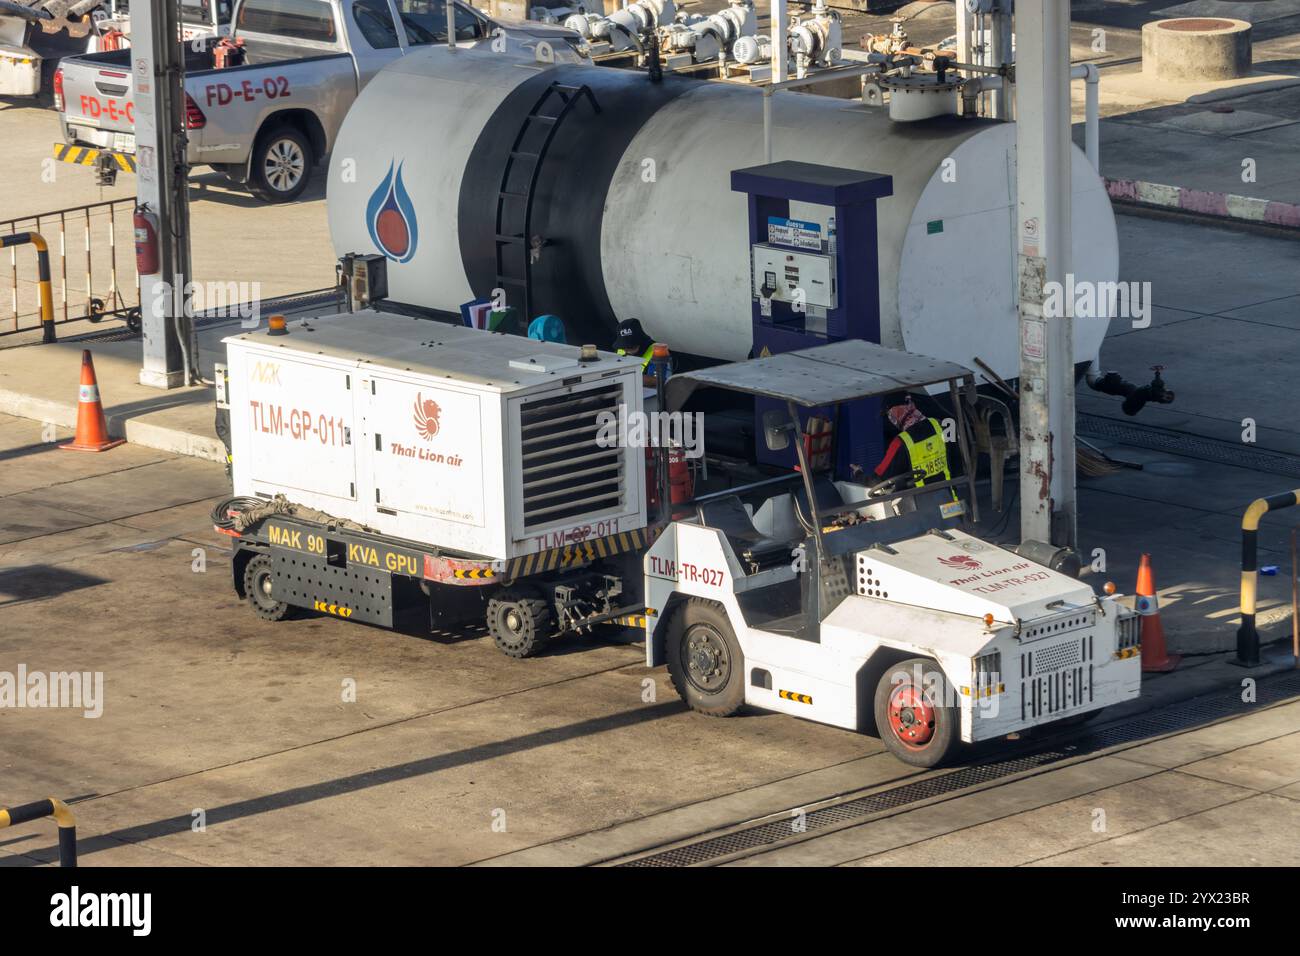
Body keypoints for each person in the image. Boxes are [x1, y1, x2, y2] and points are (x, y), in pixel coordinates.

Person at [866, 396, 952, 491]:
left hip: (921, 501)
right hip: (952, 496)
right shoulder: (939, 424)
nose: (891, 418)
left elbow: (878, 480)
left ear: (898, 409)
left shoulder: (900, 442)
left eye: (890, 413)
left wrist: (859, 475)